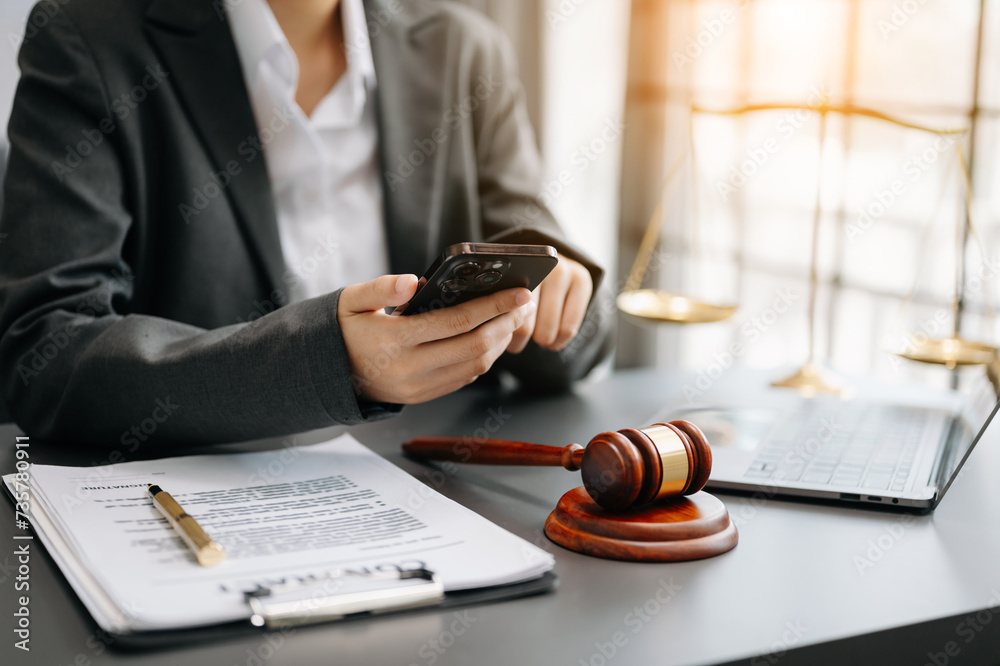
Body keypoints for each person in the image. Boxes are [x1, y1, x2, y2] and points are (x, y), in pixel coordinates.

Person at [0, 0, 613, 447]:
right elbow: (41, 351)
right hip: (199, 502)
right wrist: (329, 363)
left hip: (440, 486)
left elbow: (545, 268)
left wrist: (562, 302)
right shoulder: (88, 39)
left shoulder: (465, 48)